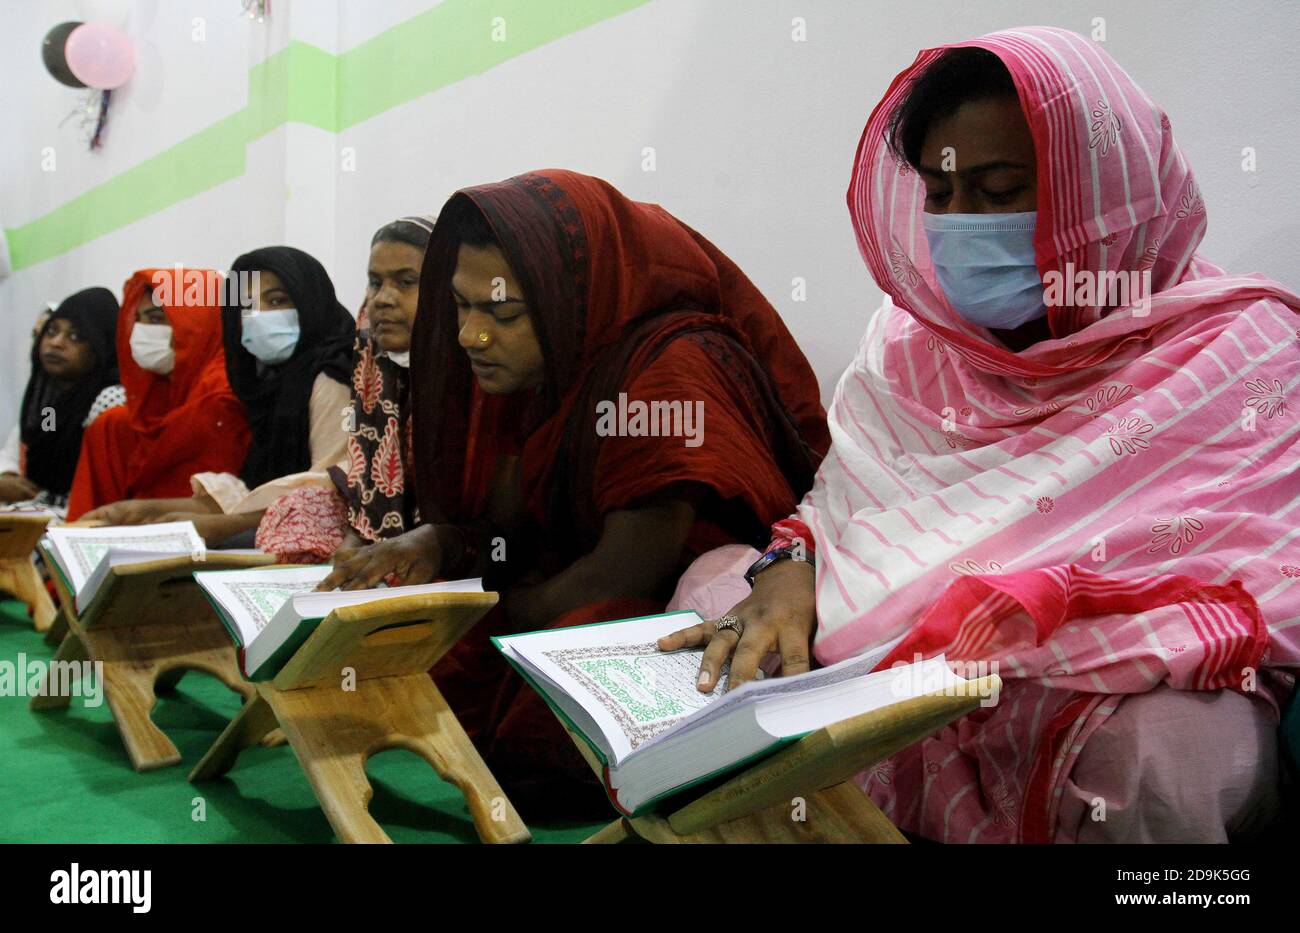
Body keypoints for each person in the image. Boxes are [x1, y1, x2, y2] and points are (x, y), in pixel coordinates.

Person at [661, 27, 1300, 843]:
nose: (961, 227)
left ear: (1109, 196)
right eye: (940, 193)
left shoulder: (1239, 348)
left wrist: (1016, 615)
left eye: (1000, 194)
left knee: (1164, 758)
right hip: (885, 662)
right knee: (715, 586)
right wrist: (788, 567)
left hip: (1088, 688)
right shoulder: (910, 339)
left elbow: (1247, 577)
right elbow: (845, 501)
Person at [320, 171, 830, 812]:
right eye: (461, 306)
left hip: (678, 605)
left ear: (572, 298)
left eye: (501, 313)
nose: (469, 337)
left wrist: (491, 607)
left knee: (519, 698)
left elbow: (623, 570)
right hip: (559, 592)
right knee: (392, 649)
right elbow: (507, 533)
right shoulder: (539, 367)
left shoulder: (668, 370)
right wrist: (439, 541)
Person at [81, 248, 354, 545]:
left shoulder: (332, 375)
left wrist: (220, 527)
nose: (258, 316)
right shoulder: (266, 382)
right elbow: (255, 490)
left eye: (277, 301)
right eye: (246, 306)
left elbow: (330, 489)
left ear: (309, 301)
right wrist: (144, 510)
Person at [254, 217, 436, 561]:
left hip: (455, 553)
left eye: (406, 281)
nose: (382, 299)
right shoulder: (372, 357)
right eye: (375, 282)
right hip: (390, 542)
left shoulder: (478, 374)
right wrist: (350, 550)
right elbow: (366, 493)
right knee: (299, 512)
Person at [66, 268, 250, 520]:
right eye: (138, 319)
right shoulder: (156, 389)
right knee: (112, 424)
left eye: (155, 319)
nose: (140, 330)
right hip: (142, 520)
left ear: (194, 323)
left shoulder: (223, 395)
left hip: (206, 535)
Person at [0, 290, 123, 514]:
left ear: (100, 346)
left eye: (75, 337)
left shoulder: (110, 400)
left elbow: (97, 496)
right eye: (52, 331)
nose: (56, 343)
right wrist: (9, 480)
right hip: (42, 516)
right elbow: (39, 450)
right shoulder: (51, 404)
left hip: (83, 522)